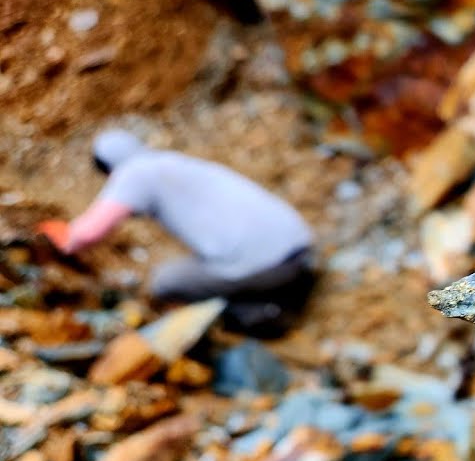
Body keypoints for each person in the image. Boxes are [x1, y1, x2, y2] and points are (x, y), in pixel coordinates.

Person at [42, 128, 318, 337]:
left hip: (270, 264)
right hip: (298, 246)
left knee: (166, 281)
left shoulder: (136, 173)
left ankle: (258, 314)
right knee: (202, 266)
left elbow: (87, 233)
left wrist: (57, 238)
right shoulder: (171, 163)